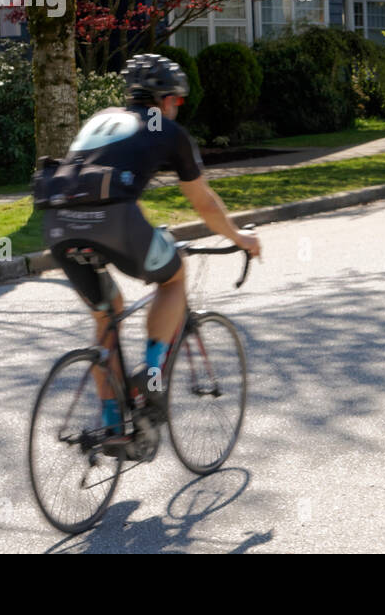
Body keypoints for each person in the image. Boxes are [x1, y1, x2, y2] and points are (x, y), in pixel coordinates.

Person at [40, 53, 261, 437]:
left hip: (58, 225)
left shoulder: (100, 120)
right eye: (176, 101)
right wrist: (239, 237)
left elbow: (97, 178)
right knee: (174, 276)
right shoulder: (171, 133)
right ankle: (152, 377)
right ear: (164, 99)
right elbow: (205, 204)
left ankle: (112, 424)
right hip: (115, 222)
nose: (177, 109)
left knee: (108, 316)